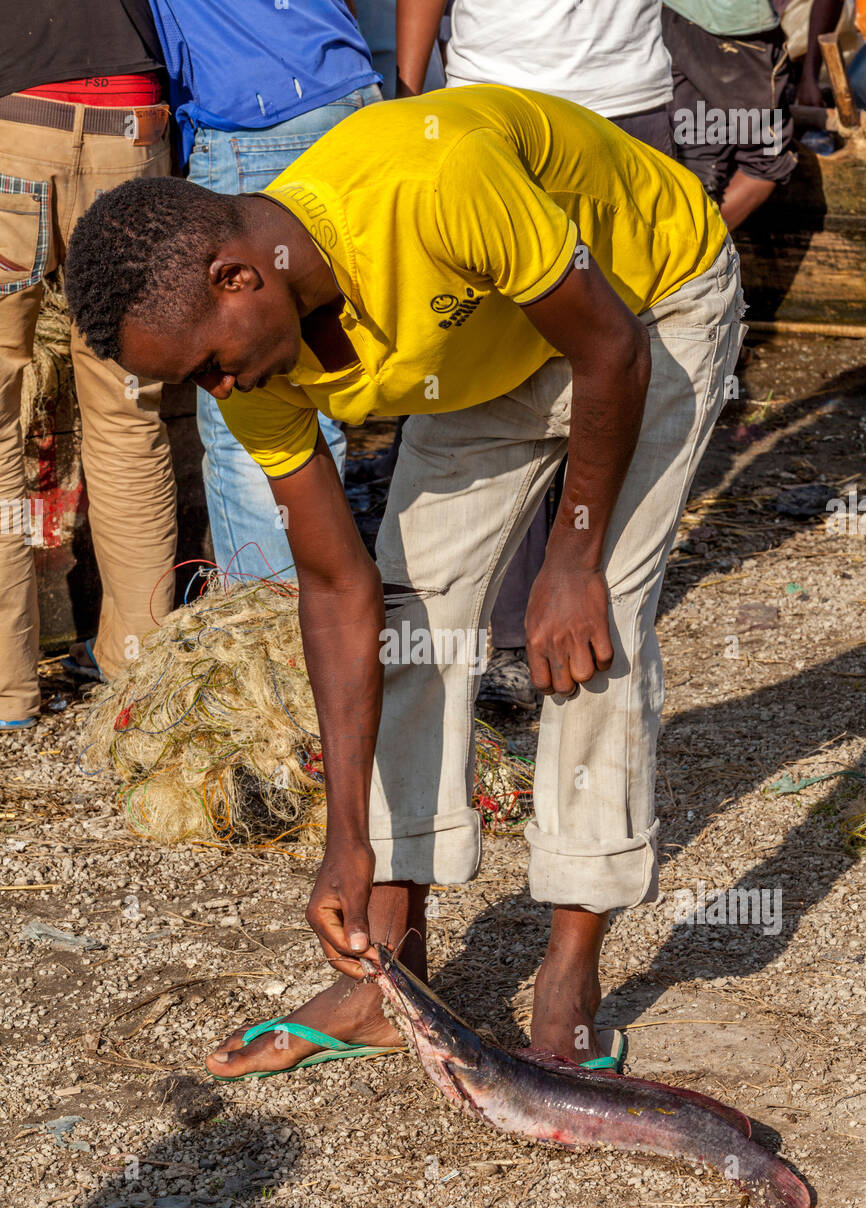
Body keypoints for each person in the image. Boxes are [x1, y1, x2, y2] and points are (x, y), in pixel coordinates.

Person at [65, 85, 744, 1077]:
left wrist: (569, 557)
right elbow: (339, 591)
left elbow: (607, 350)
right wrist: (345, 843)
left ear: (237, 275)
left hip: (643, 308)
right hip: (479, 355)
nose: (219, 392)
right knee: (409, 617)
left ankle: (568, 973)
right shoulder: (254, 361)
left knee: (592, 628)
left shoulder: (432, 181)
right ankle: (391, 978)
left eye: (211, 365)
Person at [396, 0, 674, 710]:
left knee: (626, 356)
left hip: (626, 97)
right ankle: (510, 628)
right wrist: (411, 89)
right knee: (493, 370)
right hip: (494, 97)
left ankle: (596, 595)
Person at [148, 0, 382, 584]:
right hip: (344, 91)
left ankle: (277, 644)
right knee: (326, 371)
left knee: (253, 412)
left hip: (251, 115)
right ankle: (335, 612)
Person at [0, 0, 177, 728]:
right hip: (132, 130)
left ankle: (8, 692)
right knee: (129, 416)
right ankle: (138, 683)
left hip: (12, 119)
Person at [662, 2, 798, 229]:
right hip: (730, 25)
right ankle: (693, 253)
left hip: (676, 13)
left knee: (692, 140)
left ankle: (684, 246)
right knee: (767, 158)